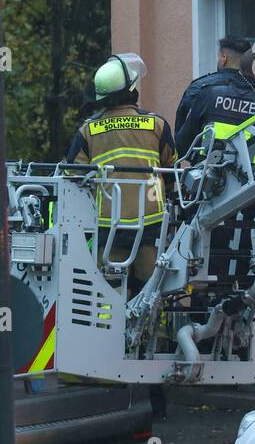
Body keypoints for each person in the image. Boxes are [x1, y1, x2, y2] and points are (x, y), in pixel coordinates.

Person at [65, 53, 174, 419]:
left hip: (109, 236)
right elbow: (173, 171)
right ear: (130, 90)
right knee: (150, 307)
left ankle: (112, 387)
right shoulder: (157, 126)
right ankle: (154, 396)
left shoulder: (88, 131)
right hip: (150, 233)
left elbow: (70, 179)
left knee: (110, 308)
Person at [174, 36, 255, 164]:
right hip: (249, 180)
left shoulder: (205, 91)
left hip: (203, 176)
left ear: (224, 58)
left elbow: (182, 144)